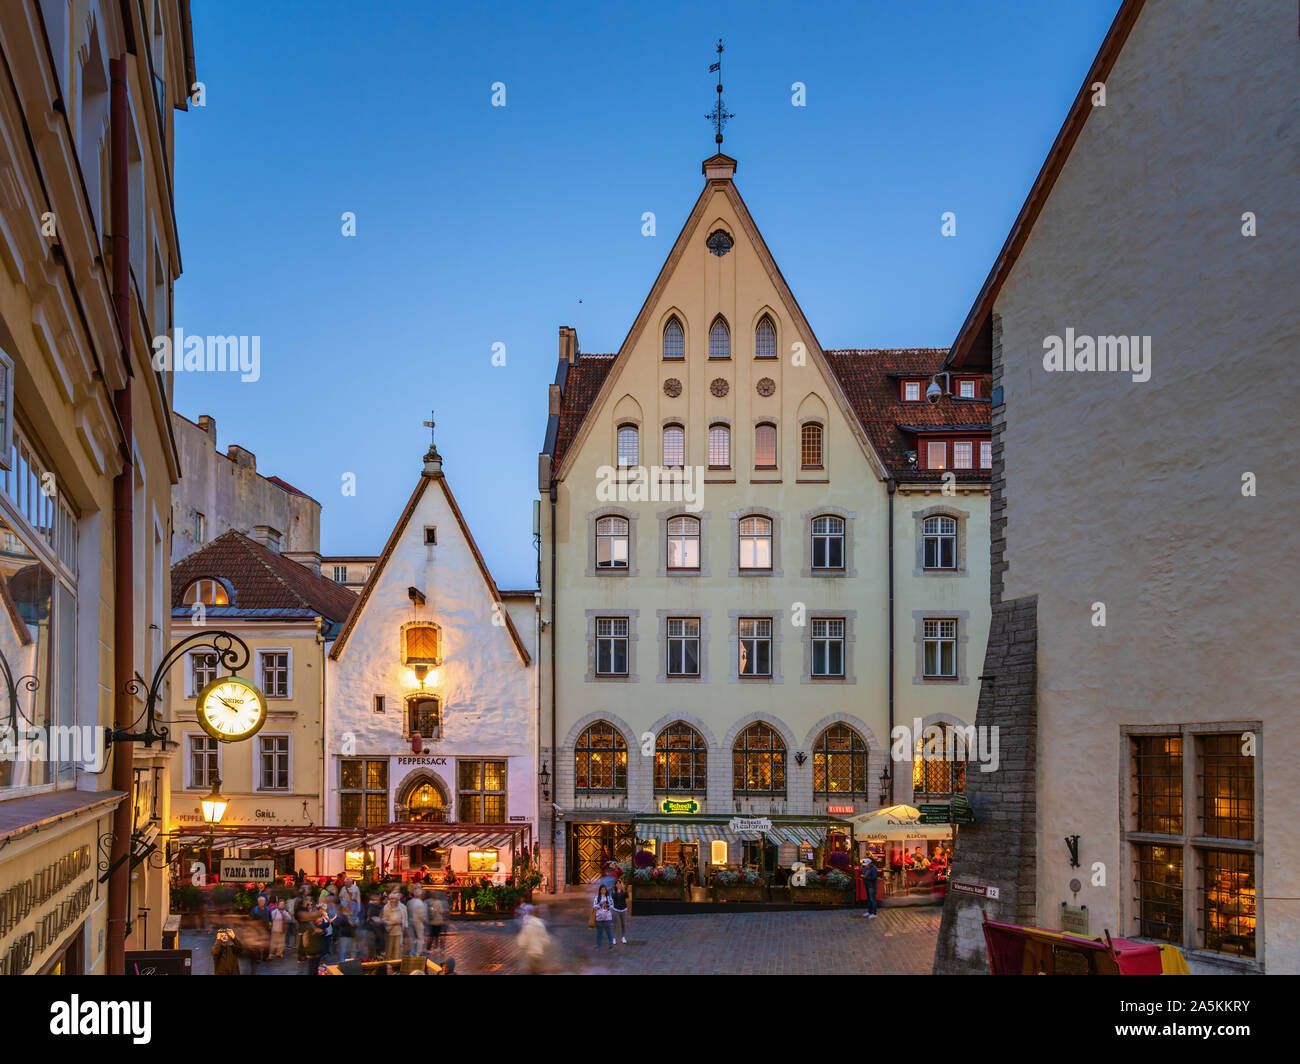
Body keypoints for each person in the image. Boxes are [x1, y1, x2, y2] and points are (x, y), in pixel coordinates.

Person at [515, 906, 550, 974]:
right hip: (540, 954)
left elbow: (521, 942)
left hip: (530, 954)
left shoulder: (527, 928)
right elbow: (546, 941)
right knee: (538, 971)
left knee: (532, 971)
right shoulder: (541, 927)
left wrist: (524, 948)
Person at [382, 891, 408, 959]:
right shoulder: (386, 907)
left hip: (399, 931)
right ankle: (388, 965)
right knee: (389, 950)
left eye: (395, 899)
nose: (393, 901)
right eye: (392, 899)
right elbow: (384, 920)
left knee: (398, 949)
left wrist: (405, 926)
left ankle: (396, 964)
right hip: (389, 931)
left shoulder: (402, 907)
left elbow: (405, 918)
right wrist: (393, 922)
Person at [593, 885, 614, 950]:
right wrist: (600, 904)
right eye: (602, 890)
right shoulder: (597, 898)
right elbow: (594, 906)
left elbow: (612, 907)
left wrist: (607, 905)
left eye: (604, 890)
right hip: (599, 918)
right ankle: (598, 945)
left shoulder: (609, 898)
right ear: (600, 891)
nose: (603, 891)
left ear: (606, 891)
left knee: (609, 932)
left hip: (607, 918)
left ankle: (611, 944)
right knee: (599, 932)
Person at [408, 888, 428, 953]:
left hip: (410, 921)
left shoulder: (410, 902)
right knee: (420, 938)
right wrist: (424, 920)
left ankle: (412, 951)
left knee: (412, 939)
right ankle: (418, 953)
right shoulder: (420, 903)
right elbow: (422, 915)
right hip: (418, 922)